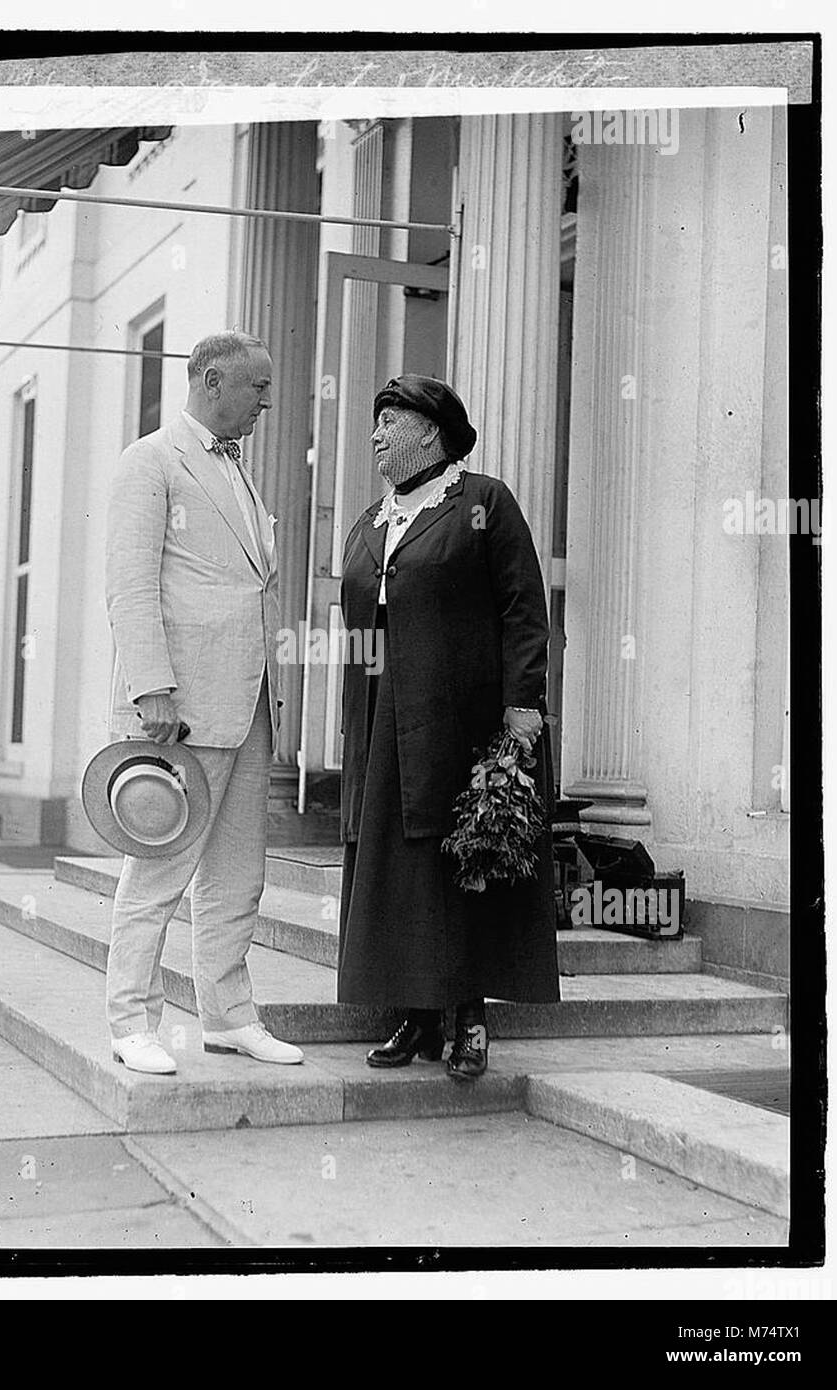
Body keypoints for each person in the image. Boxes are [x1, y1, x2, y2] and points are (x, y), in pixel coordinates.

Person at [337, 374, 560, 1081]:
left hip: (461, 716)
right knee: (400, 868)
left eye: (389, 422)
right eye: (375, 423)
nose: (375, 436)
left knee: (456, 861)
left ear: (431, 431)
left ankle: (468, 1017)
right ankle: (417, 1014)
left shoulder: (482, 503)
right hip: (385, 718)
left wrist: (523, 705)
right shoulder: (372, 521)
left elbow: (524, 608)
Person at [103, 331, 303, 1074]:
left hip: (246, 702)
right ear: (213, 381)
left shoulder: (239, 470)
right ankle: (131, 1022)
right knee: (161, 868)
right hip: (180, 707)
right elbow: (130, 583)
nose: (267, 402)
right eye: (258, 387)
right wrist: (150, 687)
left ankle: (228, 1016)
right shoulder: (151, 460)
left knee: (238, 872)